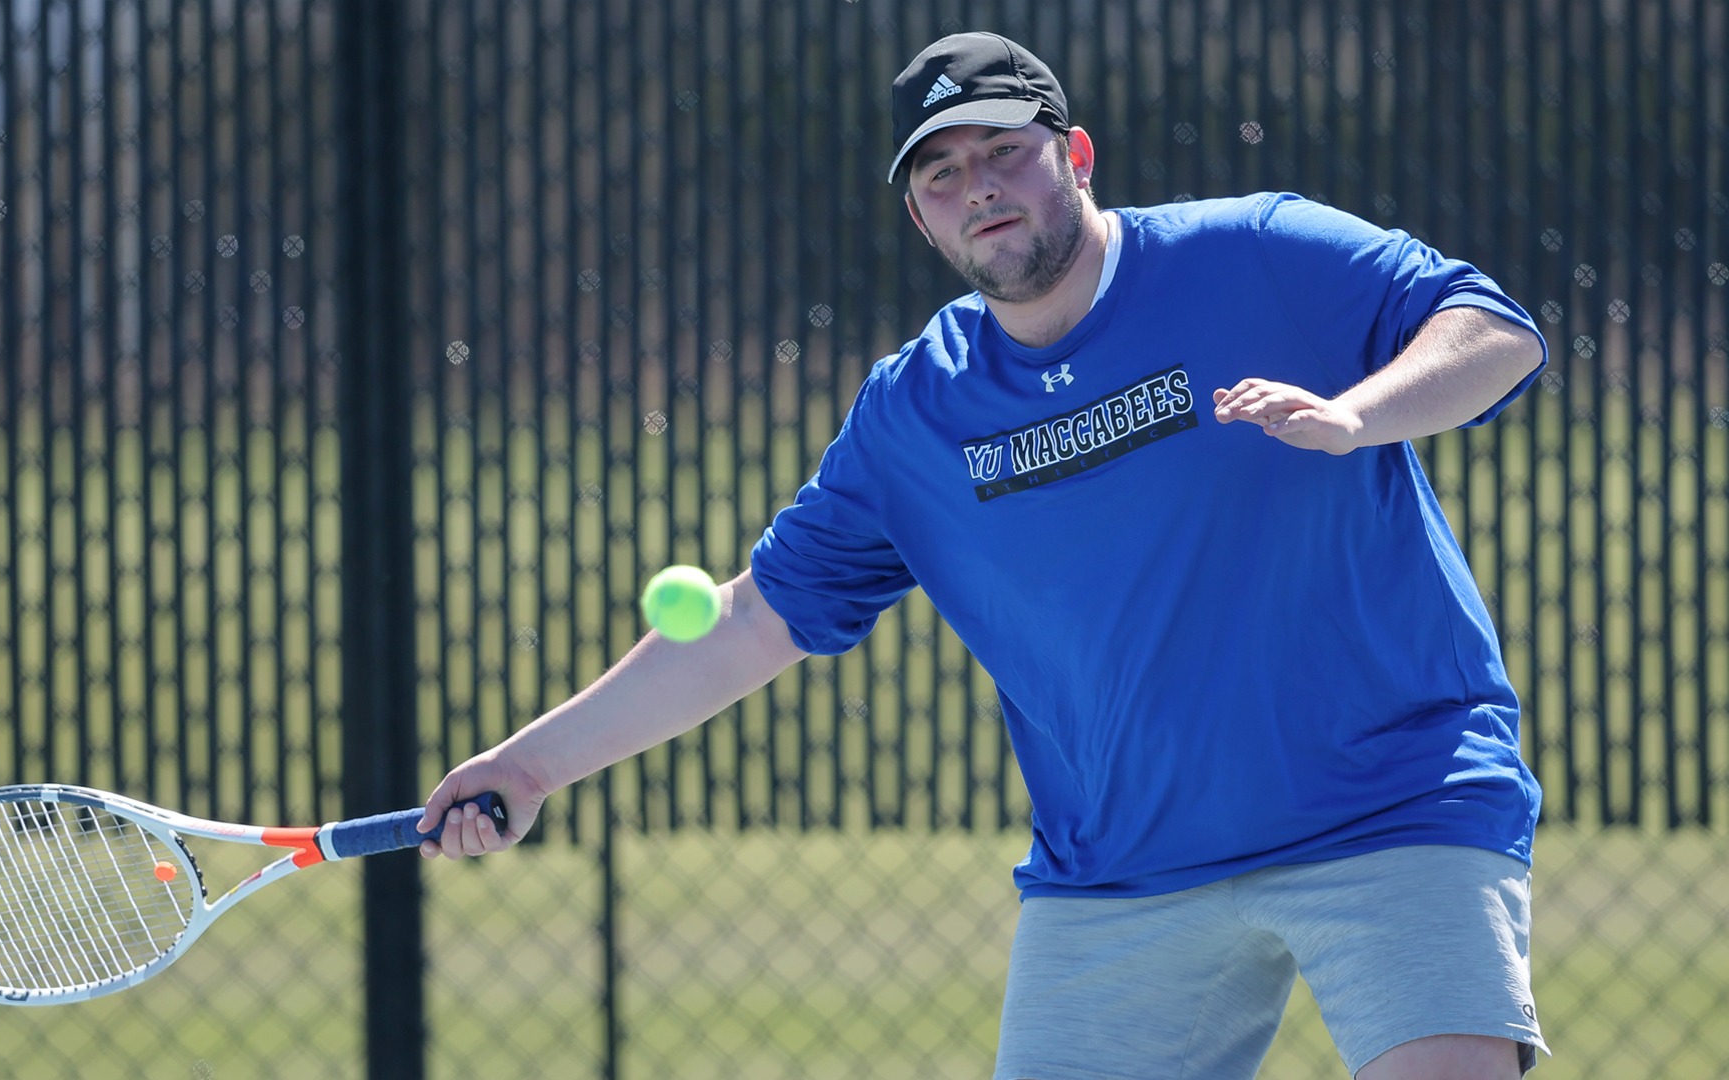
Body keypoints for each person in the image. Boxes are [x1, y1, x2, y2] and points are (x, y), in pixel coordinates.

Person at [418, 30, 1550, 1080]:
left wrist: (1359, 414)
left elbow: (1492, 329)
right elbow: (758, 618)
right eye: (942, 174)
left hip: (1394, 808)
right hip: (1122, 872)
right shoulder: (915, 415)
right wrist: (529, 768)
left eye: (1006, 151)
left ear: (1077, 157)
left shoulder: (1256, 252)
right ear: (921, 218)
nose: (980, 189)